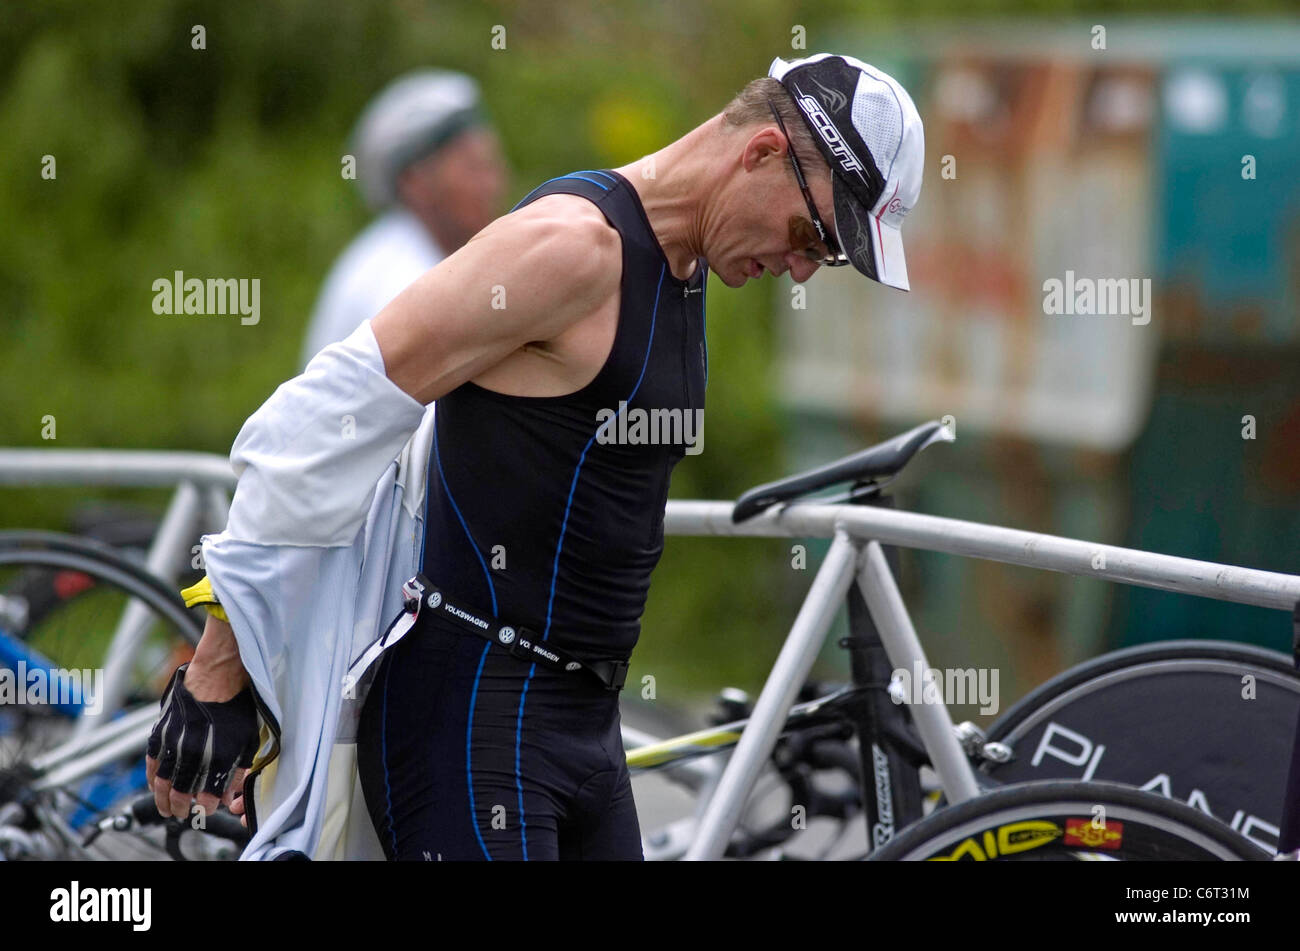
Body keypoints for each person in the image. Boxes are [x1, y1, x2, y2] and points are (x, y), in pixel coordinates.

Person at [146, 52, 925, 860]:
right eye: (814, 235)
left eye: (826, 258)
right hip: (473, 719)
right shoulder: (571, 248)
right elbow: (320, 420)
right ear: (761, 153)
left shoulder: (683, 261)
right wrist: (218, 666)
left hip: (583, 725)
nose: (802, 268)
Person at [300, 69, 509, 369]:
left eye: (492, 165)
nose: (493, 186)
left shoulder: (409, 251)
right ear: (416, 183)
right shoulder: (401, 284)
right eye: (473, 169)